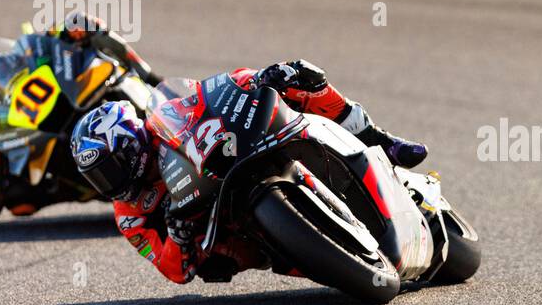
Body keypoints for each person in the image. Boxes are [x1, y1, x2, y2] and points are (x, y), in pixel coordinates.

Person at [69, 60, 426, 284]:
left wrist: (257, 80)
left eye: (109, 169)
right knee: (215, 266)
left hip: (232, 157)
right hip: (222, 227)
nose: (108, 184)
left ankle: (380, 138)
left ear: (130, 143)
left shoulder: (165, 120)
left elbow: (206, 94)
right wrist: (177, 238)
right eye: (97, 178)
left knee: (297, 76)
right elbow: (173, 271)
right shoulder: (129, 216)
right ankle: (325, 259)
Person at [0, 11, 156, 223]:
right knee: (19, 202)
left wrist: (61, 32)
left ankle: (151, 80)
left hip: (37, 120)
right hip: (23, 172)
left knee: (89, 27)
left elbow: (25, 50)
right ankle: (88, 187)